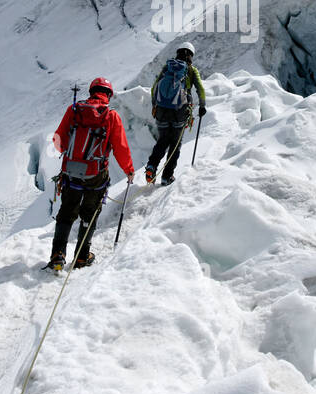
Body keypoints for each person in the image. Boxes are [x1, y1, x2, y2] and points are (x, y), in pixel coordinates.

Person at [46, 77, 134, 272]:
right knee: (89, 214)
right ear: (108, 95)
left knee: (66, 213)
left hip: (71, 172)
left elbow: (58, 139)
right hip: (96, 175)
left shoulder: (74, 110)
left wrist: (72, 152)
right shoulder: (111, 116)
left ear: (92, 91)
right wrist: (128, 170)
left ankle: (57, 255)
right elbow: (120, 147)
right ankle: (81, 257)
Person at [145, 42, 206, 186]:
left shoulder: (168, 67)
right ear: (191, 55)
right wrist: (202, 106)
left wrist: (155, 105)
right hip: (180, 113)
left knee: (163, 140)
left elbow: (155, 88)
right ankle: (167, 176)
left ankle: (151, 167)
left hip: (161, 111)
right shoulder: (191, 70)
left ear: (178, 52)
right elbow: (200, 90)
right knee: (175, 144)